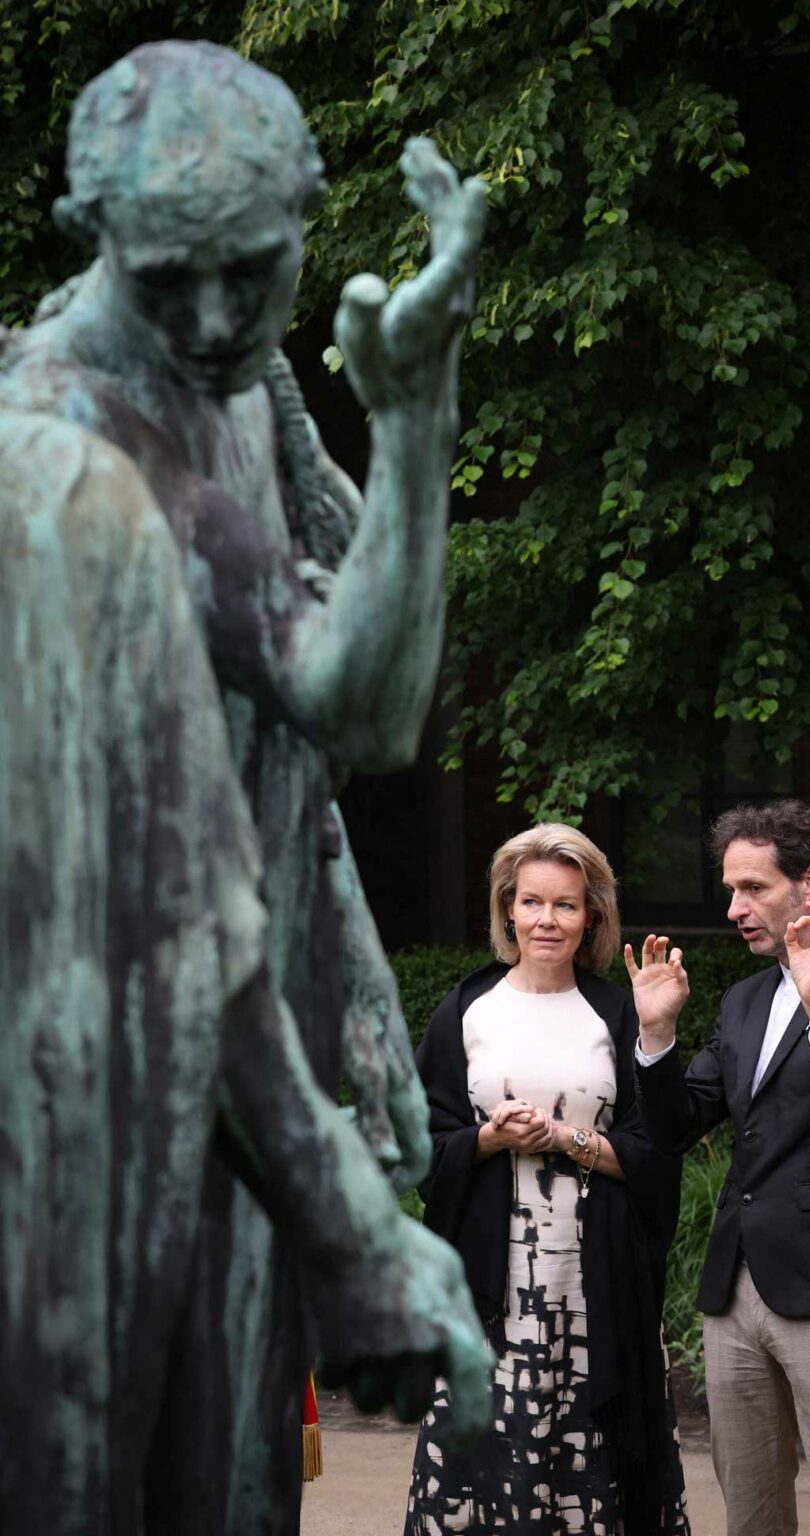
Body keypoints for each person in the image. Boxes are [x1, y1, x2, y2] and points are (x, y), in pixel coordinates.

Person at [0, 39, 487, 1532]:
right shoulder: (61, 454)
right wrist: (345, 1212)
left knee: (233, 1494)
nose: (215, 320)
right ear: (96, 238)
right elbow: (171, 870)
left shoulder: (250, 390)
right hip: (80, 1104)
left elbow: (337, 726)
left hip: (226, 1065)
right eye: (169, 280)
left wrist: (347, 980)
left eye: (252, 274)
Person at [630, 799, 810, 1536]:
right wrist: (656, 1037)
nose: (735, 907)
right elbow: (674, 1127)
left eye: (753, 887)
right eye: (730, 889)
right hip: (736, 1294)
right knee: (752, 1515)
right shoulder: (740, 1001)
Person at [405, 823, 690, 1535]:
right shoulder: (466, 1011)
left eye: (566, 905)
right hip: (488, 1291)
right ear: (508, 909)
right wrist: (485, 1138)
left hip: (596, 1284)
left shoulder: (619, 1012)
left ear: (591, 915)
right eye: (532, 902)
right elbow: (417, 1145)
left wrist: (569, 1138)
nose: (547, 920)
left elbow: (659, 1153)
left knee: (593, 1464)